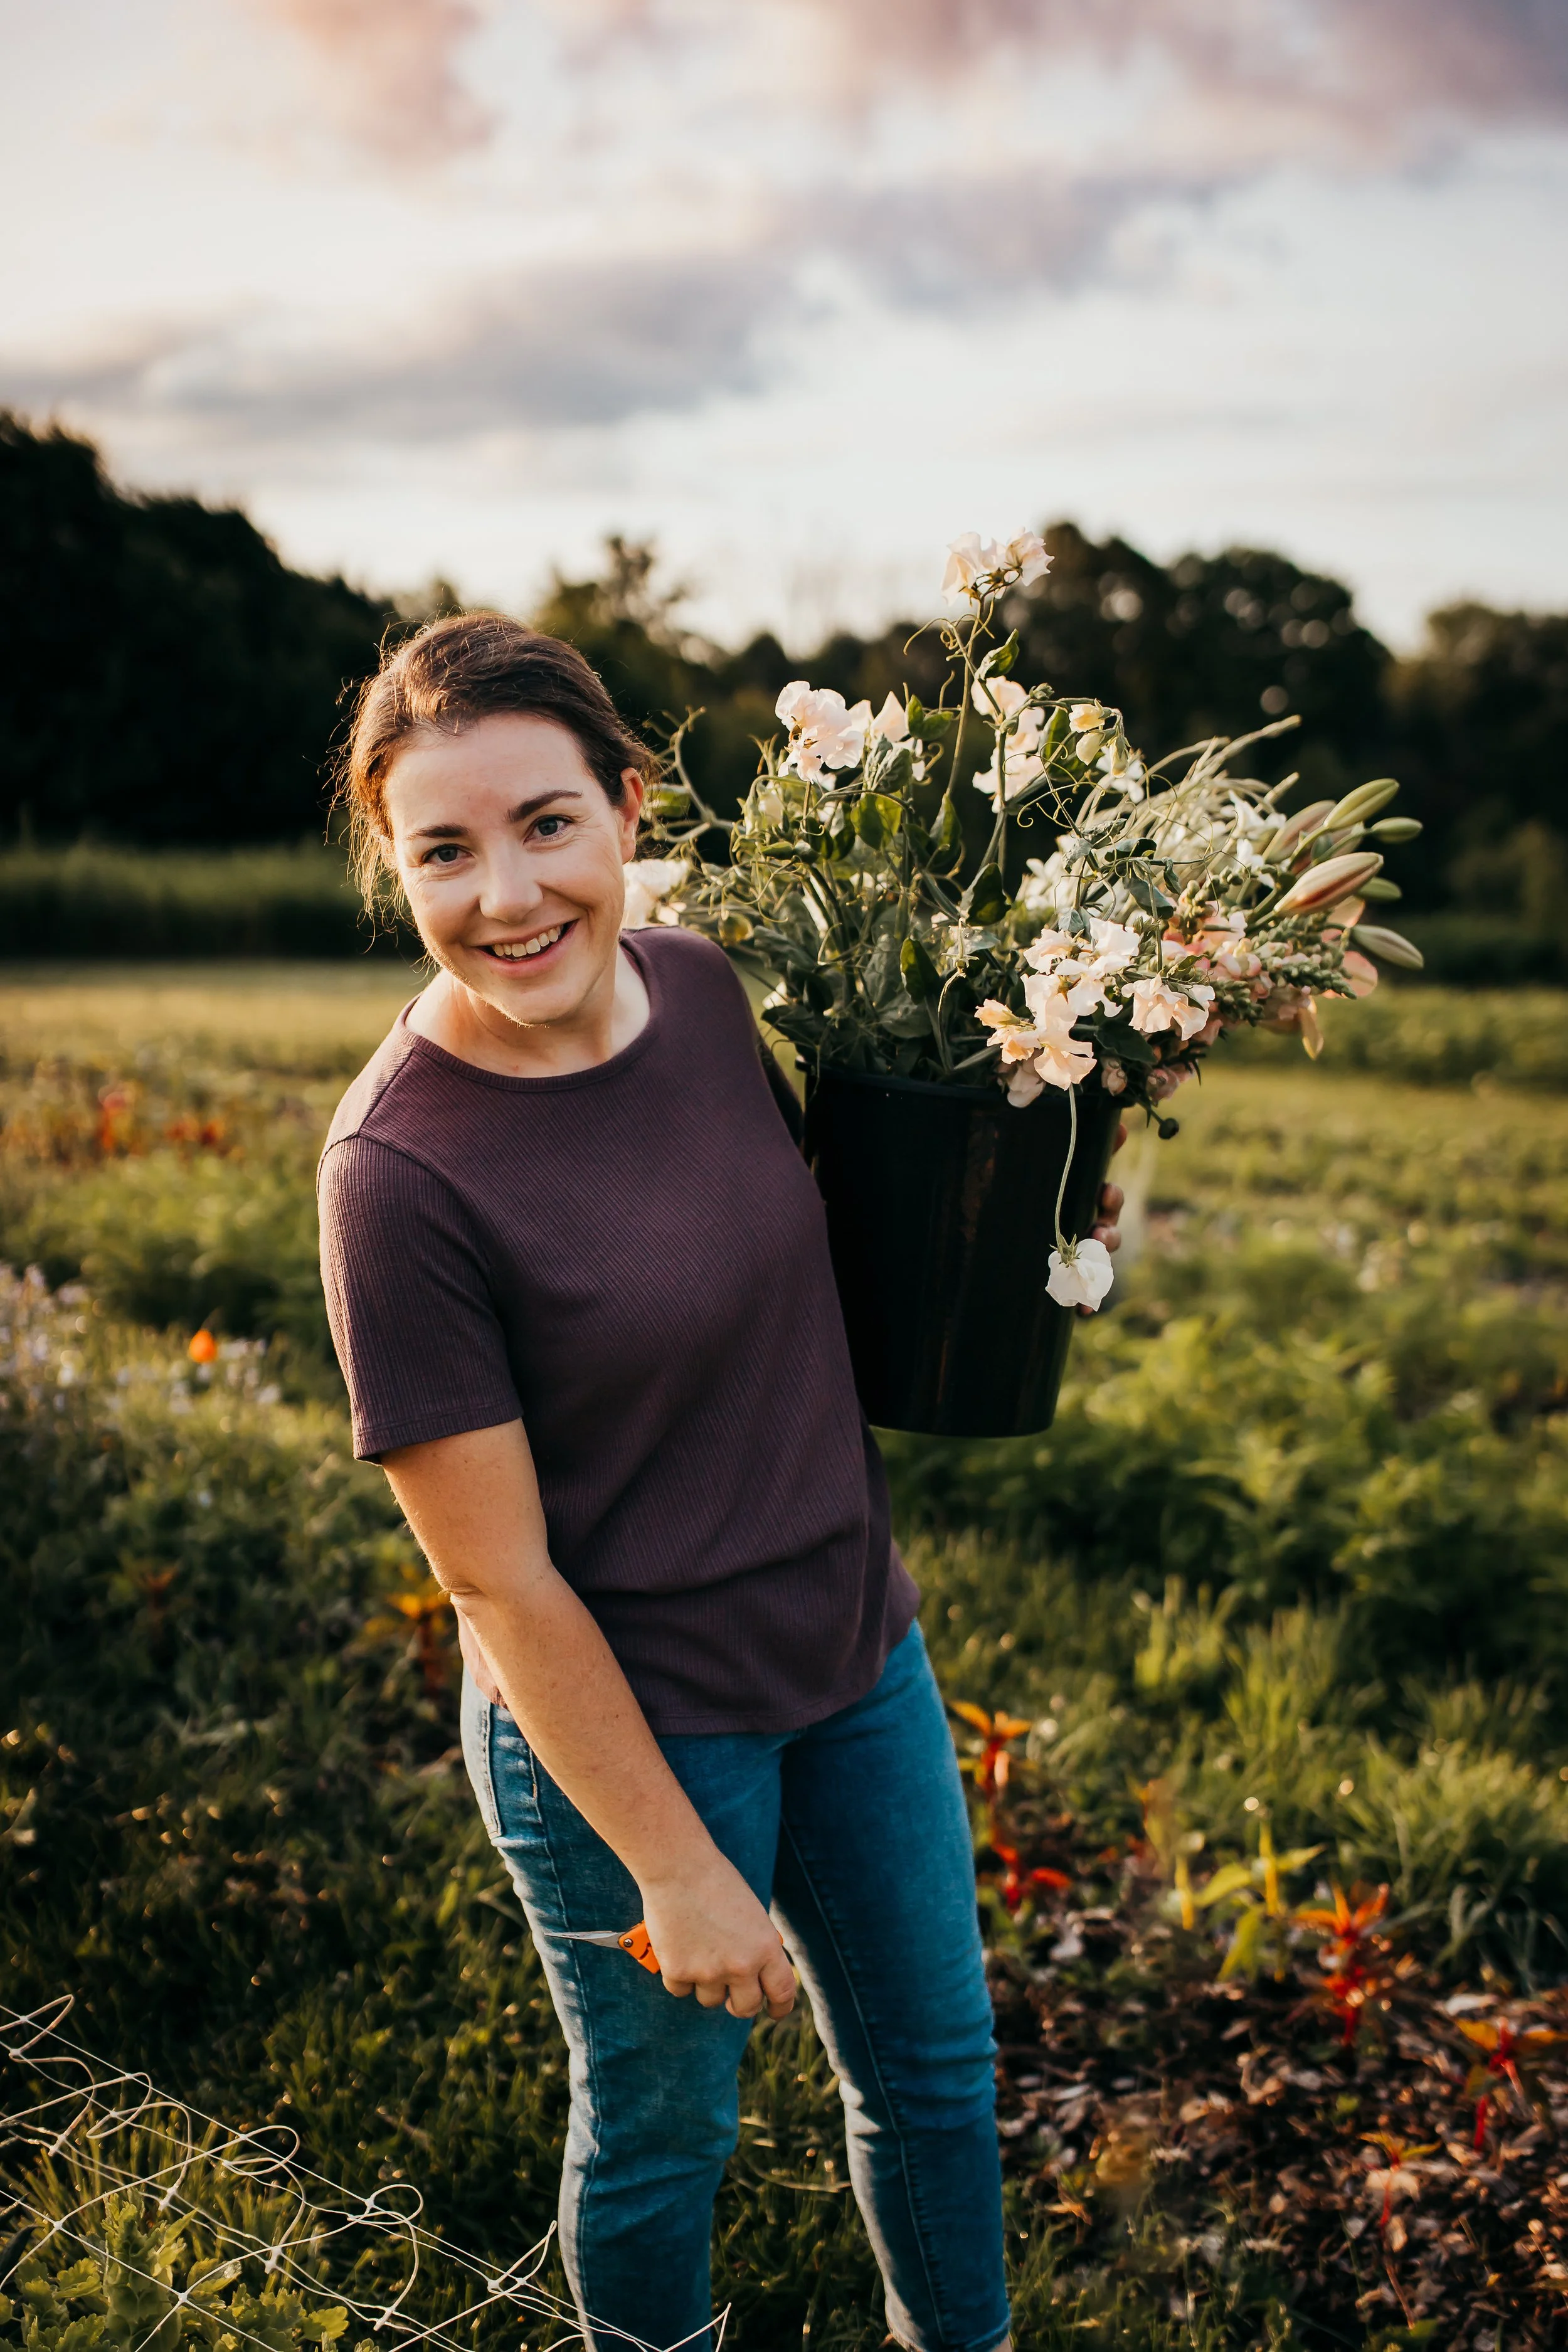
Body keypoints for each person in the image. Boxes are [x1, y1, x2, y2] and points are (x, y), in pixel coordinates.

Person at [317, 613, 1124, 2352]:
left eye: (547, 823)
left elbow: (814, 1241)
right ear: (397, 871)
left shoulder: (694, 987)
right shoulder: (397, 1177)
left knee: (934, 2074)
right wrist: (677, 1870)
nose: (508, 894)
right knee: (671, 2134)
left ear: (624, 809)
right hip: (637, 1722)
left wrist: (1036, 1211)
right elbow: (500, 1585)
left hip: (853, 1649)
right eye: (443, 850)